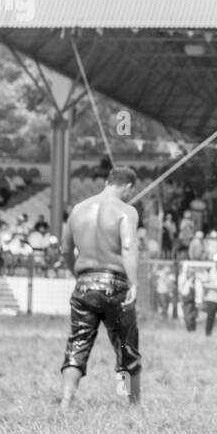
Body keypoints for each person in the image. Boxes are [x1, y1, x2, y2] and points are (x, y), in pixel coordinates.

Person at [58, 165, 141, 409]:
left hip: (84, 283)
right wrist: (134, 283)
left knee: (78, 343)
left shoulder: (78, 209)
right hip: (115, 283)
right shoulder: (126, 211)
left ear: (107, 182)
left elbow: (65, 249)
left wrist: (77, 272)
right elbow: (128, 247)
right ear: (127, 187)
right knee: (125, 347)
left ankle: (65, 403)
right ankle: (132, 405)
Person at [178, 263, 198, 332]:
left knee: (192, 315)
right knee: (187, 315)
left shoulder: (194, 278)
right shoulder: (183, 277)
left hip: (192, 299)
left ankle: (192, 329)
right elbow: (181, 289)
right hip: (186, 298)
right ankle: (190, 329)